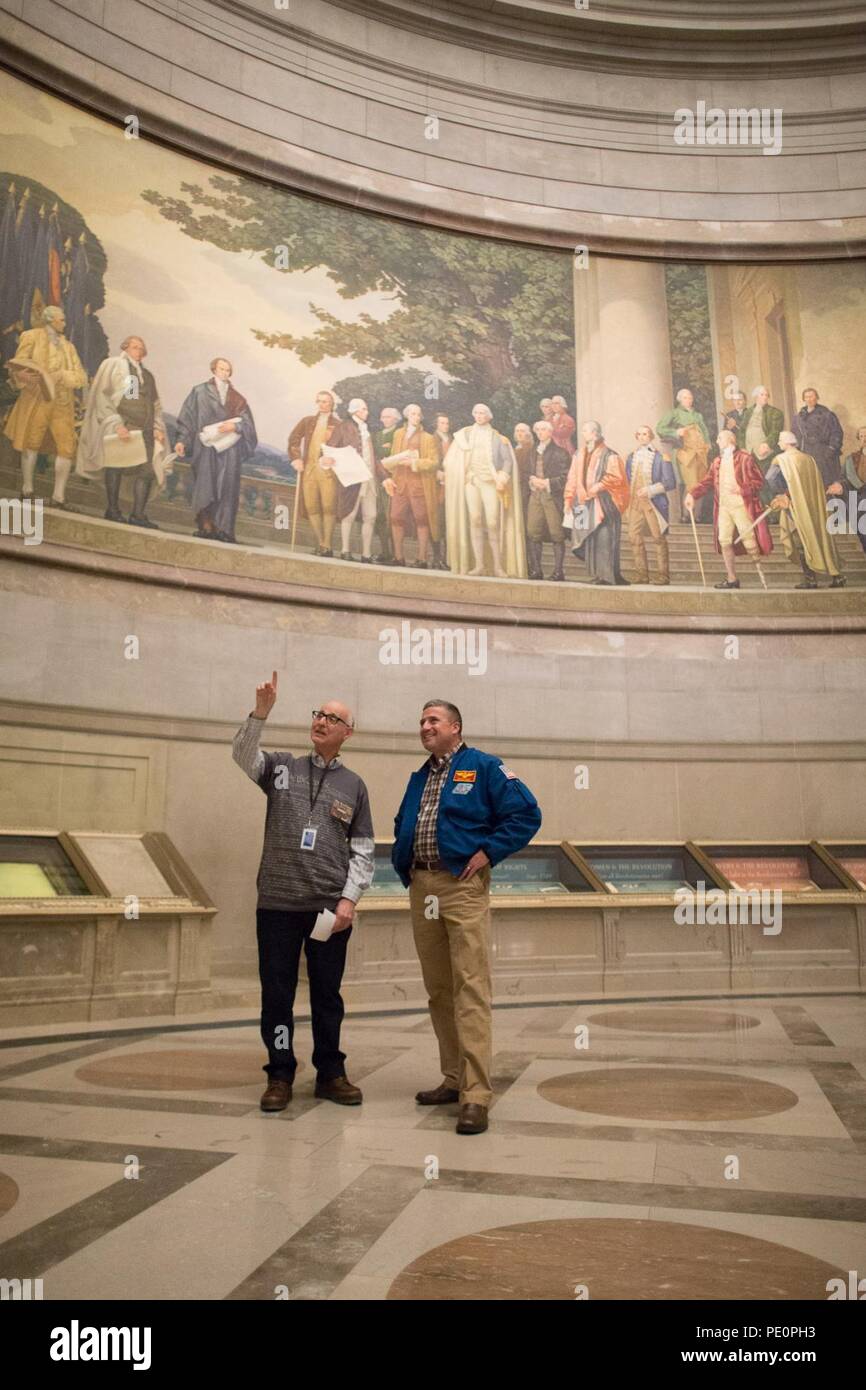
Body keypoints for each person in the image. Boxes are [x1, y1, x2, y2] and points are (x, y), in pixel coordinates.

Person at [391, 700, 541, 1135]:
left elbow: (527, 814)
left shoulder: (484, 767)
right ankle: (454, 1079)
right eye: (421, 720)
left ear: (455, 727)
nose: (424, 726)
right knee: (439, 989)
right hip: (423, 887)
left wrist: (489, 851)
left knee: (470, 988)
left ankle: (476, 1094)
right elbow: (406, 820)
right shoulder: (421, 776)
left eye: (432, 720)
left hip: (461, 886)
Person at [232, 675, 374, 1112]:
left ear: (347, 733)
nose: (322, 722)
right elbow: (241, 755)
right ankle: (279, 1072)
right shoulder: (281, 768)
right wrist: (260, 712)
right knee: (277, 994)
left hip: (327, 910)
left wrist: (349, 900)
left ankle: (331, 1071)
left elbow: (364, 850)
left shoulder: (355, 785)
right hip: (276, 906)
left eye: (333, 718)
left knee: (326, 996)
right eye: (318, 714)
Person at [77, 334, 170, 527]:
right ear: (125, 348)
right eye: (135, 347)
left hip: (145, 429)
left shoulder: (146, 375)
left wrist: (156, 427)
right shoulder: (117, 367)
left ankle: (137, 514)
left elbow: (153, 405)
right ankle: (112, 509)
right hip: (125, 425)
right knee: (116, 466)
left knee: (147, 471)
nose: (139, 351)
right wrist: (117, 424)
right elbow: (107, 397)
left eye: (141, 348)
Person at [4, 304, 87, 511]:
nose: (65, 324)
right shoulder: (31, 337)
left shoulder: (69, 347)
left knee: (66, 447)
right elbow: (18, 366)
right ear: (51, 320)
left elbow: (81, 377)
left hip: (62, 403)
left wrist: (62, 376)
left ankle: (58, 497)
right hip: (37, 398)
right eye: (62, 320)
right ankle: (27, 489)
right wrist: (24, 377)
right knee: (31, 442)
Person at [174, 357, 258, 542]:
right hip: (206, 448)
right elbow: (187, 418)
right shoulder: (199, 392)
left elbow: (248, 425)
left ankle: (224, 530)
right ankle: (206, 526)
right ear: (214, 370)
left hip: (229, 451)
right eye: (221, 369)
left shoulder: (238, 398)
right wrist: (182, 440)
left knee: (227, 489)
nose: (225, 373)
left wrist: (235, 427)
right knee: (205, 486)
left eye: (228, 370)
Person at [443, 403, 527, 578]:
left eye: (483, 413)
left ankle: (497, 566)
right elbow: (451, 460)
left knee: (493, 522)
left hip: (490, 482)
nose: (479, 416)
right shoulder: (464, 435)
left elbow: (507, 461)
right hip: (471, 481)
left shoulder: (498, 438)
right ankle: (479, 565)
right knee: (474, 519)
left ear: (489, 416)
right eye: (477, 413)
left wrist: (502, 477)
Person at [684, 429, 771, 589]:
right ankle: (732, 579)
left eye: (719, 438)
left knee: (750, 541)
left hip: (741, 506)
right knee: (724, 540)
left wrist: (743, 489)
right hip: (724, 507)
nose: (717, 441)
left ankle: (763, 580)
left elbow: (759, 481)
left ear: (730, 440)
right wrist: (692, 495)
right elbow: (707, 482)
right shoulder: (717, 461)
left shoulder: (745, 458)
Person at [765, 431, 845, 589]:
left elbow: (771, 478)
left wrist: (781, 495)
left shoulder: (781, 459)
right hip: (813, 506)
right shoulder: (809, 459)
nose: (779, 444)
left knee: (800, 540)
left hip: (794, 505)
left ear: (787, 443)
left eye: (780, 441)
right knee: (819, 537)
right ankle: (838, 576)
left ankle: (811, 580)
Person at [564, 419, 630, 585]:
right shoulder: (579, 454)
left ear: (595, 433)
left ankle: (607, 576)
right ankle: (597, 574)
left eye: (586, 431)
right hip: (581, 503)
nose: (583, 434)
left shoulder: (610, 455)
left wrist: (598, 486)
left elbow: (616, 477)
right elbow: (572, 478)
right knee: (584, 538)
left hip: (603, 503)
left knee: (603, 538)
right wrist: (568, 498)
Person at [381, 403, 440, 568]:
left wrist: (414, 462)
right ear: (407, 416)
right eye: (413, 414)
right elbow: (393, 456)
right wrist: (391, 468)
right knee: (395, 518)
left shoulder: (428, 438)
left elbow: (434, 463)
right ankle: (398, 557)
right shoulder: (398, 434)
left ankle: (422, 559)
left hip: (418, 485)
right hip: (399, 484)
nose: (416, 417)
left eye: (418, 414)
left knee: (422, 520)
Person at [287, 390, 342, 556]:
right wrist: (296, 458)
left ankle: (327, 545)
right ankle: (321, 543)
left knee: (328, 507)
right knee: (311, 507)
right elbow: (293, 440)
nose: (322, 404)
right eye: (319, 401)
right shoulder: (307, 421)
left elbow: (345, 447)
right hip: (309, 470)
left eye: (325, 401)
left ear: (332, 404)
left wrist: (334, 459)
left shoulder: (339, 425)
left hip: (328, 472)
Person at [624, 426, 676, 585]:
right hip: (635, 504)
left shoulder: (662, 457)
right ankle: (642, 574)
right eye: (639, 434)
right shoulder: (631, 457)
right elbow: (627, 481)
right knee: (633, 537)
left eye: (645, 434)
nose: (641, 437)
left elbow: (670, 483)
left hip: (653, 504)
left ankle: (663, 575)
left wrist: (649, 490)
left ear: (650, 436)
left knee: (658, 539)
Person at [331, 397, 379, 564]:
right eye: (364, 409)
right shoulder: (343, 427)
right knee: (349, 515)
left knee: (370, 516)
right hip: (353, 478)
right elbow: (330, 449)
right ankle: (345, 550)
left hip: (369, 479)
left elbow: (373, 456)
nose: (367, 412)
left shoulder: (367, 429)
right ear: (356, 410)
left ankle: (366, 554)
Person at [523, 418, 571, 581]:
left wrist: (547, 483)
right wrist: (531, 479)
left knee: (557, 533)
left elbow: (566, 477)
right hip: (535, 496)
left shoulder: (561, 452)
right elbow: (525, 473)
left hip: (552, 497)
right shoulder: (531, 452)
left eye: (543, 429)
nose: (540, 433)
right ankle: (537, 570)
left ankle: (558, 572)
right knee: (533, 532)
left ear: (550, 432)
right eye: (537, 430)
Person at [656, 387, 712, 523]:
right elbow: (660, 428)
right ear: (680, 399)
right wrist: (676, 432)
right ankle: (688, 514)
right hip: (686, 452)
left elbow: (704, 431)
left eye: (690, 398)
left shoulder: (698, 415)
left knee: (701, 484)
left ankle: (697, 515)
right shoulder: (674, 413)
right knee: (691, 484)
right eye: (686, 398)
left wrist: (708, 443)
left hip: (701, 453)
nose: (689, 400)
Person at [793, 388, 843, 489]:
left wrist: (831, 449)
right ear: (804, 399)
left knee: (826, 484)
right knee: (811, 484)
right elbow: (795, 434)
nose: (809, 399)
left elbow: (837, 433)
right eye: (806, 397)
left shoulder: (827, 414)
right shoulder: (799, 417)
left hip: (824, 454)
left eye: (812, 396)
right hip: (807, 453)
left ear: (817, 398)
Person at [843, 425, 866, 557]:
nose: (864, 439)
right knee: (861, 529)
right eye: (862, 436)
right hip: (859, 496)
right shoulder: (852, 458)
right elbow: (847, 476)